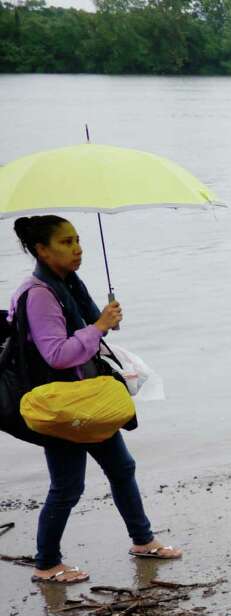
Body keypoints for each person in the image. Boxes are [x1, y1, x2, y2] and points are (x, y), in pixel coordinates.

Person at [8, 216, 182, 584]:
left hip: (87, 398)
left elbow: (89, 331)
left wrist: (106, 320)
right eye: (66, 242)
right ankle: (46, 564)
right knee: (68, 486)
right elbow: (57, 354)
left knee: (122, 468)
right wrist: (99, 326)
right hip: (61, 406)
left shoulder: (67, 283)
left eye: (78, 240)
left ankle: (143, 540)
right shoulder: (39, 294)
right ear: (41, 250)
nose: (77, 249)